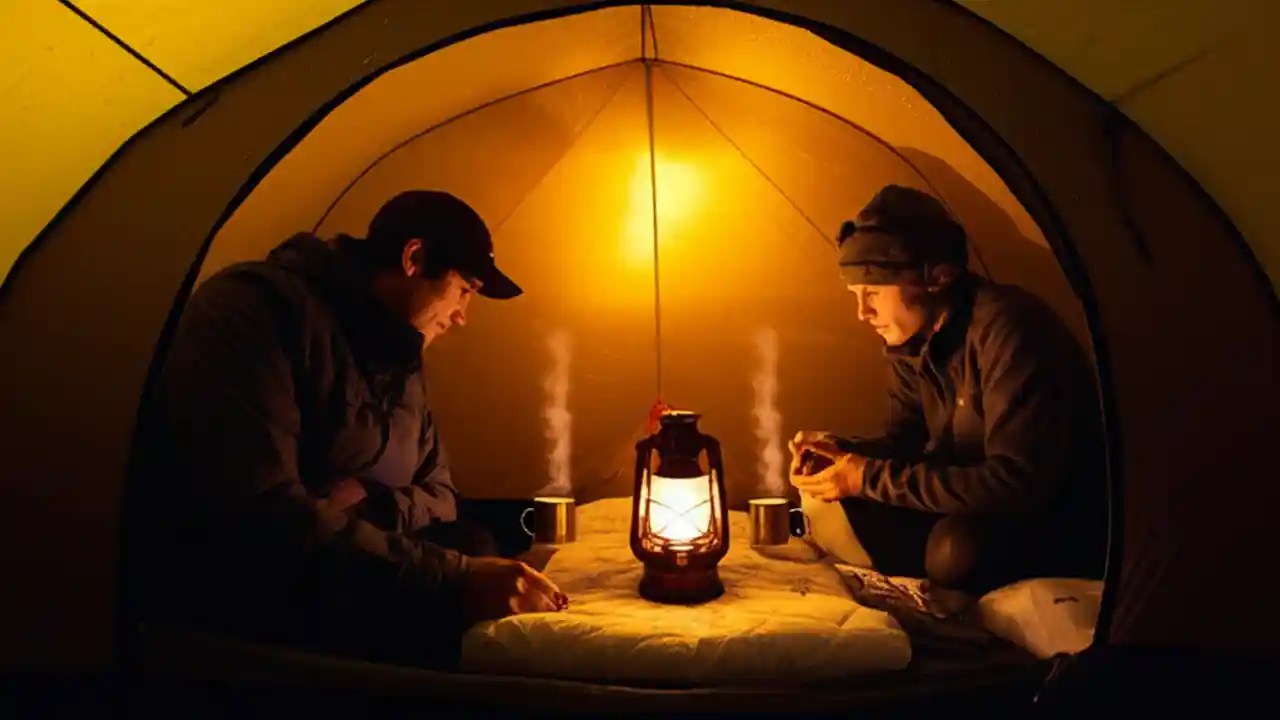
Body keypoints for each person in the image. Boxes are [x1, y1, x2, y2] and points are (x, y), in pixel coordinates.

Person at [124, 190, 565, 669]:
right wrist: (454, 580)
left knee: (479, 546)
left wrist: (375, 505)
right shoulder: (254, 311)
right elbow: (260, 516)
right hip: (267, 599)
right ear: (414, 259)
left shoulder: (401, 356)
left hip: (371, 567)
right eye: (464, 289)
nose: (462, 316)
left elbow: (440, 493)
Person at [789, 185, 1108, 596]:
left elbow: (1018, 483)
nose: (862, 314)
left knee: (955, 550)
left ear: (937, 277)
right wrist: (840, 455)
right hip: (965, 501)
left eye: (872, 294)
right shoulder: (912, 341)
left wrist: (865, 476)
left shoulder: (1010, 329)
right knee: (824, 500)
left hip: (1045, 516)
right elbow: (905, 445)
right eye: (855, 295)